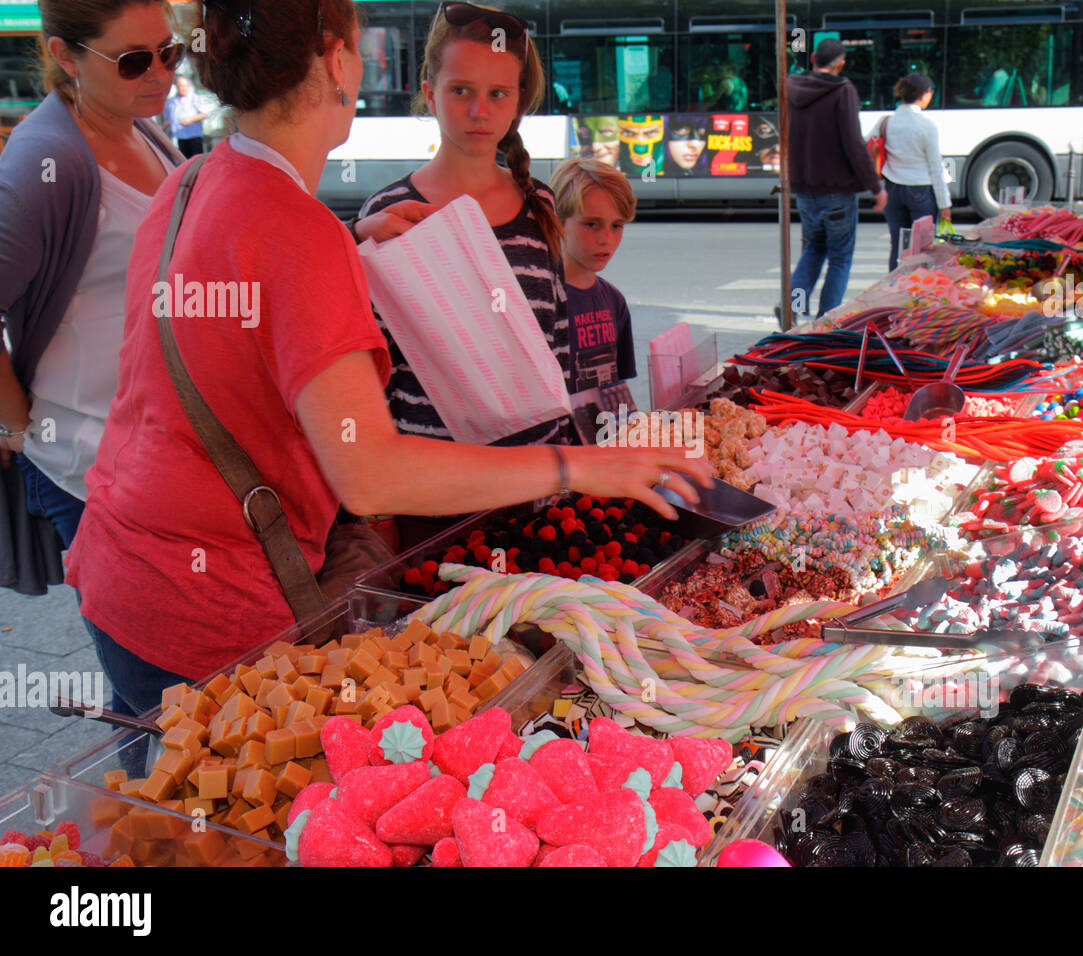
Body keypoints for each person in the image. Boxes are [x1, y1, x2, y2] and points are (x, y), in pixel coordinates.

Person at [65, 0, 709, 718]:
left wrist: (349, 248)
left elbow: (233, 318)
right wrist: (582, 466)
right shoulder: (298, 231)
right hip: (211, 611)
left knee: (147, 777)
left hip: (119, 570)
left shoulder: (187, 183)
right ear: (336, 60)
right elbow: (371, 475)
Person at [0, 0, 184, 596]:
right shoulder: (45, 161)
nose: (161, 73)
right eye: (133, 60)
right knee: (142, 647)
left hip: (152, 456)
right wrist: (18, 425)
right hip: (88, 464)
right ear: (65, 56)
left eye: (170, 52)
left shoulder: (138, 125)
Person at [356, 3, 578, 448]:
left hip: (538, 471)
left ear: (518, 101)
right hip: (434, 475)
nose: (479, 111)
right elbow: (372, 363)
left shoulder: (540, 202)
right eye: (460, 90)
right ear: (430, 93)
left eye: (498, 93)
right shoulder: (389, 213)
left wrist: (568, 459)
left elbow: (557, 341)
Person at [785, 37, 885, 319]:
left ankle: (794, 307)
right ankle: (827, 319)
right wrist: (876, 187)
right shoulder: (842, 91)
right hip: (837, 190)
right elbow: (854, 143)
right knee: (840, 258)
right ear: (841, 65)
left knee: (813, 249)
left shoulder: (792, 87)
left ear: (813, 58)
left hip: (805, 188)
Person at [550, 158, 637, 436]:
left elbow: (617, 389)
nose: (605, 239)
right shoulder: (542, 302)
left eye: (617, 226)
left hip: (606, 444)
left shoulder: (614, 301)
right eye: (591, 224)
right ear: (558, 221)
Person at [868, 73, 951, 272]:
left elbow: (866, 145)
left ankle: (894, 285)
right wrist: (945, 205)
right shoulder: (926, 126)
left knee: (898, 246)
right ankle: (918, 287)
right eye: (930, 92)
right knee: (922, 249)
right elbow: (936, 168)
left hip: (893, 190)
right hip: (921, 192)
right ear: (923, 94)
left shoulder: (886, 122)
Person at [163, 74, 207, 157]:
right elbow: (168, 119)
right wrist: (161, 129)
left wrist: (190, 120)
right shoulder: (171, 102)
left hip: (194, 136)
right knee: (185, 161)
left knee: (197, 161)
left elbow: (204, 114)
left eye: (185, 86)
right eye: (181, 86)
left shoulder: (194, 98)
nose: (184, 88)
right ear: (177, 86)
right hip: (180, 137)